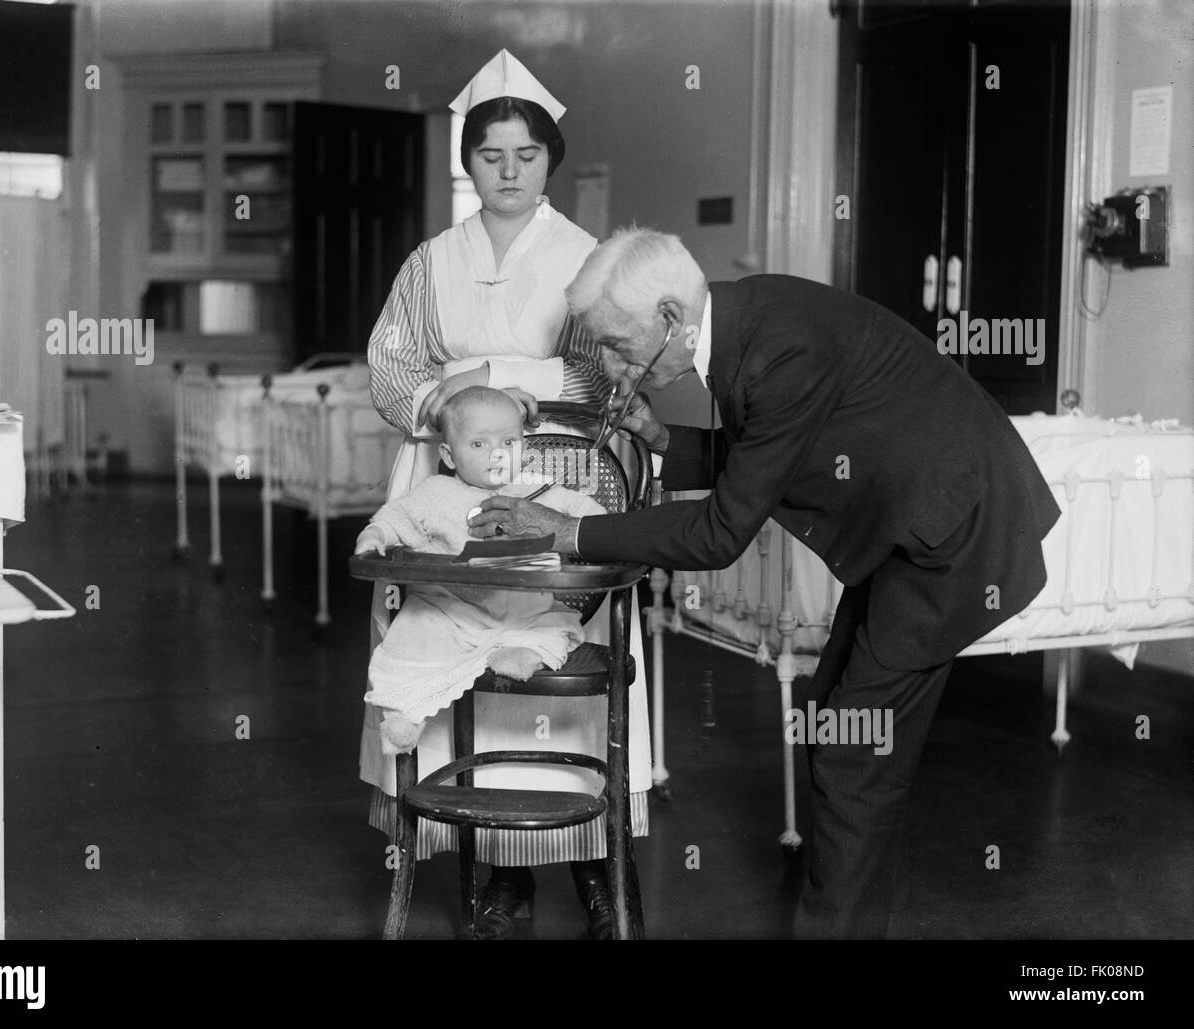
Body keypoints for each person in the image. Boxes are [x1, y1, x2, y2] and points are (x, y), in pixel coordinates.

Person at [471, 227, 1062, 939]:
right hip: (910, 525)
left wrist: (568, 531)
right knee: (838, 725)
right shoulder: (747, 321)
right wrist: (664, 441)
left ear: (669, 319)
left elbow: (721, 533)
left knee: (851, 752)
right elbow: (769, 456)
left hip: (954, 533)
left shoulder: (779, 351)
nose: (607, 362)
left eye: (617, 345)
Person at [362, 50, 653, 940]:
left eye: (527, 153)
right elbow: (391, 361)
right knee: (453, 645)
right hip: (446, 474)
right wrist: (446, 399)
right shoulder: (431, 260)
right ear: (468, 162)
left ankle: (595, 866)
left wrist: (501, 378)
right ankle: (496, 872)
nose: (509, 170)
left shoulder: (585, 259)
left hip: (556, 472)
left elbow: (609, 371)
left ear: (550, 160)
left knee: (559, 649)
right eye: (491, 154)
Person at [355, 387, 604, 753]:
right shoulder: (435, 493)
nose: (498, 454)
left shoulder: (537, 492)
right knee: (410, 635)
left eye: (509, 441)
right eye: (478, 444)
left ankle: (522, 649)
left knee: (552, 624)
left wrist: (595, 524)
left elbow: (590, 514)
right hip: (451, 611)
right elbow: (396, 518)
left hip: (521, 609)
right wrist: (375, 534)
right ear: (448, 455)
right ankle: (404, 712)